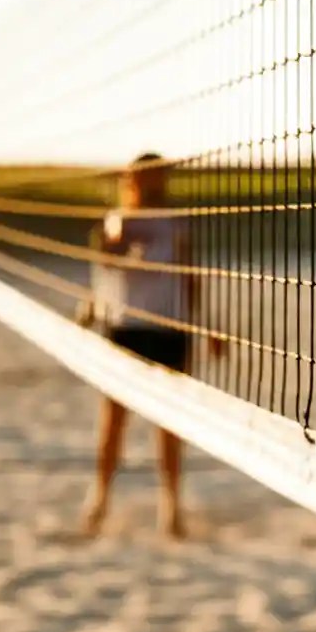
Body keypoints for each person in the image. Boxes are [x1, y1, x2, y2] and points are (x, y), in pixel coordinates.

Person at [78, 153, 222, 539]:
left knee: (169, 423)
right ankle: (100, 499)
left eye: (158, 177)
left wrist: (206, 327)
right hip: (127, 329)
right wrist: (113, 253)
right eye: (146, 177)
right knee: (114, 418)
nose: (154, 184)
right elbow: (104, 266)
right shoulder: (120, 220)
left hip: (169, 330)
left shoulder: (175, 224)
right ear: (133, 180)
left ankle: (171, 506)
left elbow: (190, 277)